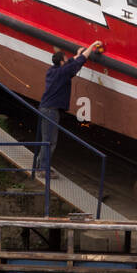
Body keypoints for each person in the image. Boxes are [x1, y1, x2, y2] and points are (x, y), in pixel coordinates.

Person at [35, 40, 103, 175]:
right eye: (65, 59)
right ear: (61, 62)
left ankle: (39, 164)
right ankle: (43, 169)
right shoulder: (63, 72)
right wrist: (92, 45)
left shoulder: (52, 70)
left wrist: (77, 54)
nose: (67, 60)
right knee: (50, 141)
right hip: (51, 111)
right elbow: (79, 62)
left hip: (45, 108)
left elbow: (72, 63)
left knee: (46, 139)